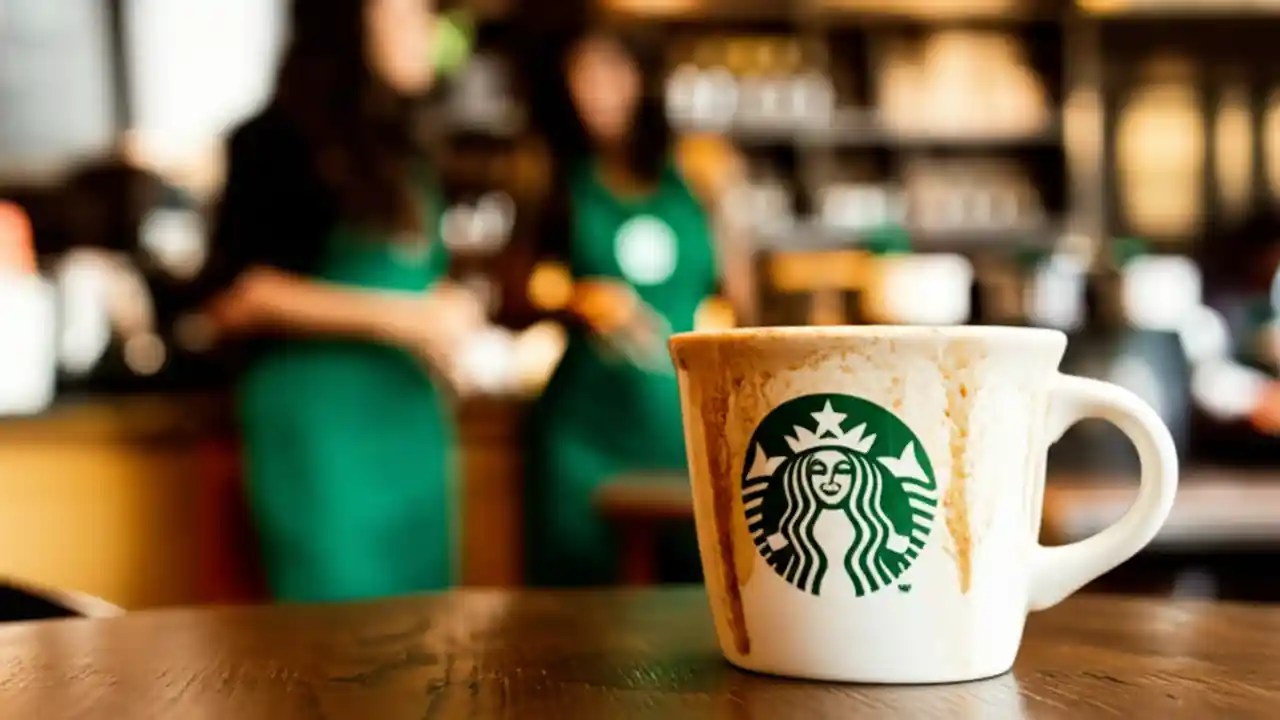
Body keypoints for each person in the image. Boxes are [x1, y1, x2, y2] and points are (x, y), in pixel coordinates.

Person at [201, 0, 483, 602]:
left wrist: (448, 313)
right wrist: (407, 319)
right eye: (407, 14)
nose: (427, 33)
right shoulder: (275, 140)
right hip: (322, 439)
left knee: (426, 645)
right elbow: (238, 297)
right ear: (346, 24)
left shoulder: (408, 150)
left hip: (410, 428)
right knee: (333, 648)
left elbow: (415, 281)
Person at [520, 27, 754, 585]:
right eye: (580, 78)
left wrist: (733, 204)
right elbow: (520, 290)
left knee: (691, 607)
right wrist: (579, 298)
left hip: (681, 428)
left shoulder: (700, 170)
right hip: (584, 437)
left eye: (609, 74)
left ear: (643, 81)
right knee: (577, 614)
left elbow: (741, 298)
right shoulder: (555, 178)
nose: (593, 93)